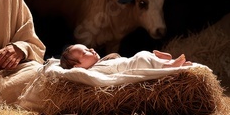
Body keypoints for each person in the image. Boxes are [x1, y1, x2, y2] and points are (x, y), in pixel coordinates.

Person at [59, 44, 191, 73]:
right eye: (85, 52)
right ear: (77, 66)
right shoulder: (91, 72)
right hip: (132, 66)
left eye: (88, 48)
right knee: (142, 58)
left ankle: (167, 61)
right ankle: (170, 65)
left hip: (129, 61)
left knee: (143, 55)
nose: (91, 50)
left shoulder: (101, 63)